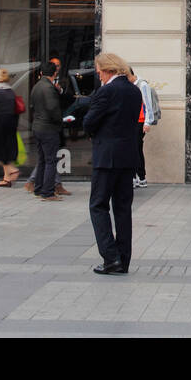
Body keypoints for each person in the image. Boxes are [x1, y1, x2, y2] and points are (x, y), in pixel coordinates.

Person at [84, 52, 143, 275]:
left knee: (98, 205)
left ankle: (110, 258)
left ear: (107, 69)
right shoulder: (134, 91)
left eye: (99, 71)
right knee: (122, 209)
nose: (98, 75)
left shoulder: (107, 91)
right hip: (128, 157)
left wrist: (94, 131)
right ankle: (123, 260)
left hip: (106, 158)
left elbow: (90, 121)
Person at [29, 62, 64, 200]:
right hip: (48, 128)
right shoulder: (49, 88)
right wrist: (60, 121)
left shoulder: (37, 86)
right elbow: (52, 108)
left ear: (41, 73)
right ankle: (48, 192)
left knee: (43, 159)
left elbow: (33, 106)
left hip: (37, 126)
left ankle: (38, 188)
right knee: (50, 161)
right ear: (55, 73)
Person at [0, 68, 20, 187]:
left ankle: (12, 170)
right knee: (6, 150)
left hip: (0, 123)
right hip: (11, 124)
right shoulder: (10, 91)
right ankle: (6, 179)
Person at [128, 67, 159, 189]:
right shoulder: (131, 86)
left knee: (136, 148)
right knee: (135, 148)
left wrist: (147, 122)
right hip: (132, 121)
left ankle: (139, 176)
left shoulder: (142, 85)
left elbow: (148, 104)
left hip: (140, 121)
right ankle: (139, 176)